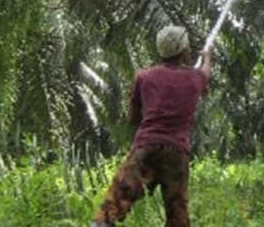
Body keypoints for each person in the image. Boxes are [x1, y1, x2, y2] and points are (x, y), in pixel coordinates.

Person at [91, 25, 212, 227]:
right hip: (176, 152)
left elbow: (133, 117)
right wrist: (207, 57)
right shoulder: (195, 78)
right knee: (177, 210)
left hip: (146, 145)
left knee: (120, 194)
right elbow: (206, 73)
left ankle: (102, 224)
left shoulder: (144, 77)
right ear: (184, 51)